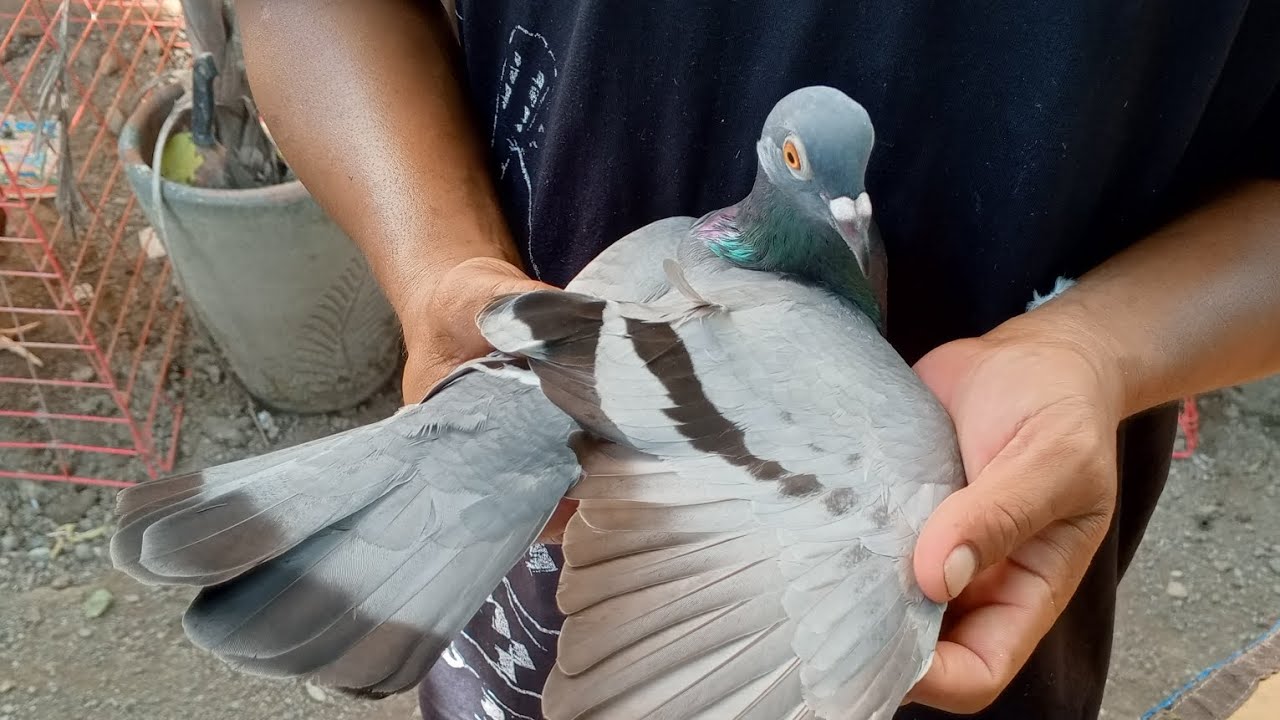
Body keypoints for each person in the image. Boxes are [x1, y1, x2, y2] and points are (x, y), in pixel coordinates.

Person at [233, 1, 1280, 718]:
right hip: (518, 530)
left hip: (984, 555)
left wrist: (1096, 345)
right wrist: (437, 269)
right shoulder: (866, 409)